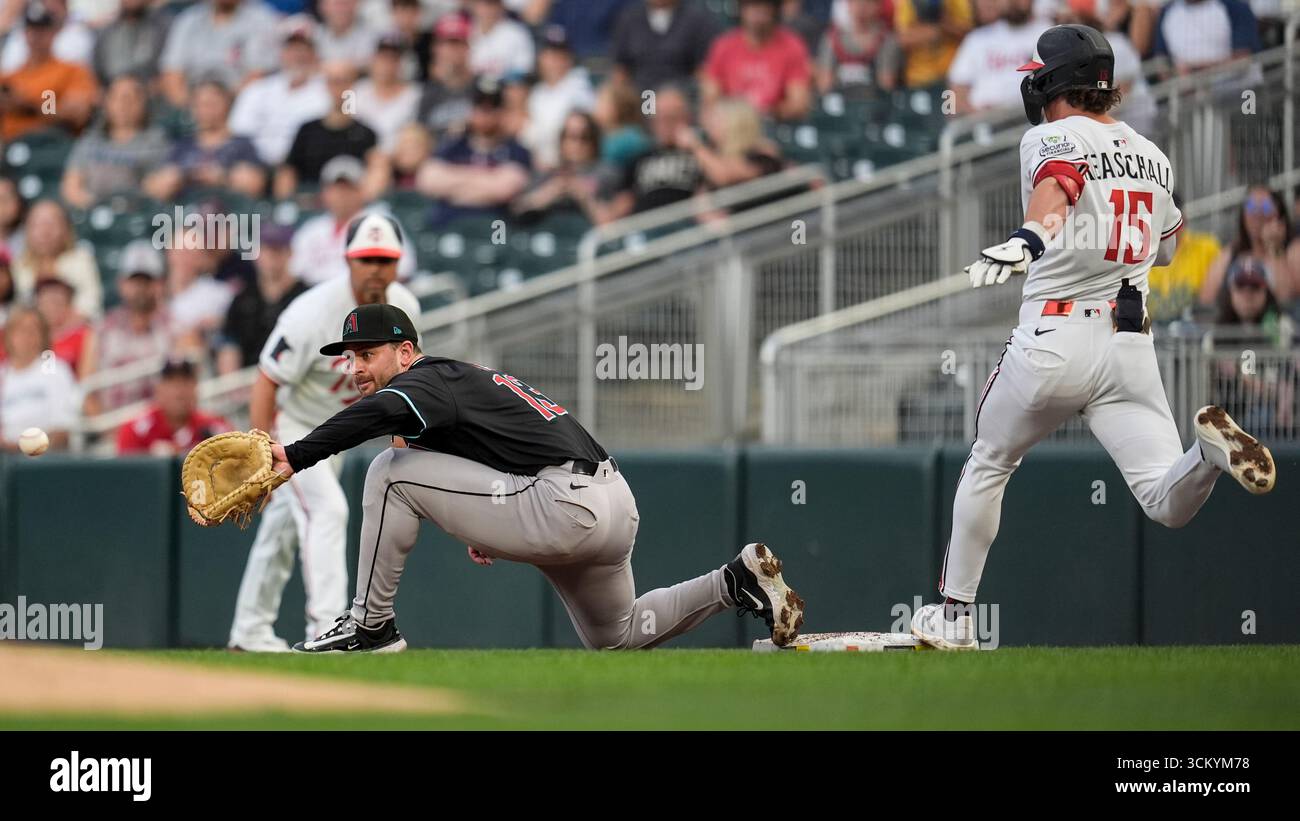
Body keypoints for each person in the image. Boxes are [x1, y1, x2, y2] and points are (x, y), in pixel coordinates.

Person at [912, 25, 1276, 650]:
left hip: (1054, 335)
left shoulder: (1048, 134)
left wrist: (1031, 237)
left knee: (990, 460)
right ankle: (1208, 455)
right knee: (1165, 498)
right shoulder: (1153, 154)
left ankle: (954, 618)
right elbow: (1170, 246)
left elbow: (1060, 184)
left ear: (1056, 83)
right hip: (1129, 346)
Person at [271, 301, 806, 653]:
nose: (356, 367)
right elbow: (488, 453)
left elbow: (378, 417)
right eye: (349, 358)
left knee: (388, 473)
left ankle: (370, 624)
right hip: (610, 502)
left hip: (562, 503)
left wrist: (295, 454)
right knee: (615, 637)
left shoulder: (430, 379)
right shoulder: (459, 386)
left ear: (406, 352)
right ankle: (733, 582)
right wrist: (487, 523)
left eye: (367, 354)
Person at [227, 213, 422, 653]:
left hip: (344, 429)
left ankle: (247, 631)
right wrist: (262, 451)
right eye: (365, 258)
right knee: (328, 512)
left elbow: (407, 380)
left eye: (385, 258)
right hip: (295, 428)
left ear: (397, 263)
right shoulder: (312, 311)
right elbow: (267, 378)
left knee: (283, 527)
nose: (375, 268)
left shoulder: (407, 305)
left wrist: (403, 448)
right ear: (347, 260)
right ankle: (329, 629)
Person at [417, 76, 532, 228]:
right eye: (479, 106)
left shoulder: (516, 150)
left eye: (492, 107)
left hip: (496, 226)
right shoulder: (454, 145)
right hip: (448, 221)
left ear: (503, 112)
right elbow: (427, 181)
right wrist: (485, 180)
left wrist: (453, 185)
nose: (484, 114)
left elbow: (504, 189)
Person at [290, 155, 417, 285]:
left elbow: (403, 269)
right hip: (319, 297)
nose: (341, 195)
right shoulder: (311, 230)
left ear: (361, 190)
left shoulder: (379, 222)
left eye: (348, 188)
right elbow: (295, 272)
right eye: (336, 188)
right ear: (324, 193)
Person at [81, 240, 172, 415]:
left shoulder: (178, 327)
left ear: (160, 284)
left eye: (147, 281)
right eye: (135, 281)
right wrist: (112, 434)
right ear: (122, 284)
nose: (141, 288)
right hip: (115, 431)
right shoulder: (101, 330)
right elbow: (86, 392)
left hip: (165, 428)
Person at [227, 14, 331, 169]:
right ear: (281, 53)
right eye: (291, 48)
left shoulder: (331, 90)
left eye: (304, 48)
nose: (298, 55)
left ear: (315, 53)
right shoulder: (257, 89)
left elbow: (342, 127)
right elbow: (239, 131)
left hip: (307, 165)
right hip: (257, 166)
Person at [144, 79, 267, 202]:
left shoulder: (242, 144)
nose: (206, 110)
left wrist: (223, 177)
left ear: (227, 104)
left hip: (229, 213)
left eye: (212, 103)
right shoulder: (182, 146)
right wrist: (182, 177)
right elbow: (154, 187)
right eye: (200, 104)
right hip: (186, 212)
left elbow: (254, 184)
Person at [60, 72, 169, 208]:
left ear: (143, 104)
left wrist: (126, 204)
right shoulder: (90, 140)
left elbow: (162, 184)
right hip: (91, 213)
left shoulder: (155, 140)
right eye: (116, 98)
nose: (123, 105)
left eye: (130, 99)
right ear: (107, 102)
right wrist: (98, 208)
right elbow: (71, 185)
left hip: (137, 214)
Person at [275, 60, 379, 200]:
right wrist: (288, 202)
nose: (338, 88)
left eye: (343, 81)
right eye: (332, 81)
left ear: (353, 85)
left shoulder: (366, 134)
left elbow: (375, 177)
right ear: (325, 85)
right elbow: (287, 172)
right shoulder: (307, 130)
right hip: (309, 205)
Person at [217, 223, 308, 374]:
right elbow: (229, 345)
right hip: (246, 382)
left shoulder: (305, 297)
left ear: (290, 253)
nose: (271, 256)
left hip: (291, 376)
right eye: (265, 249)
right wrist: (232, 383)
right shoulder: (243, 298)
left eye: (277, 250)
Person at [603, 85, 703, 222]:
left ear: (687, 118)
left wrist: (696, 147)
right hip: (645, 229)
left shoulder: (699, 152)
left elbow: (720, 177)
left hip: (685, 228)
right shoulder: (641, 157)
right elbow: (621, 203)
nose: (663, 125)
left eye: (670, 118)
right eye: (658, 119)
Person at [0, 0, 97, 140]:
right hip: (10, 146)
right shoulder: (9, 77)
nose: (36, 37)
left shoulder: (71, 71)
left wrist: (30, 106)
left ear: (54, 32)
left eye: (42, 30)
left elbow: (77, 114)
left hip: (50, 145)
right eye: (31, 29)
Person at [701, 0, 813, 122]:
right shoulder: (724, 46)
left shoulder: (792, 46)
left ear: (775, 9)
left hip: (774, 124)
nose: (758, 11)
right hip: (732, 126)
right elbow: (710, 100)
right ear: (741, 8)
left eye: (765, 5)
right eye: (752, 4)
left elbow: (798, 103)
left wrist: (770, 112)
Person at [158, 0, 280, 108]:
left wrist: (219, 106)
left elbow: (258, 76)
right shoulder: (189, 19)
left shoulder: (260, 17)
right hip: (193, 103)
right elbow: (172, 73)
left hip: (238, 105)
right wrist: (193, 107)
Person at [1199, 186, 1297, 307]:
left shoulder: (1293, 250)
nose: (1258, 213)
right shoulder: (1229, 255)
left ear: (1279, 215)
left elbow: (1287, 299)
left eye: (1266, 207)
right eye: (1251, 207)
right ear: (1243, 215)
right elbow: (1206, 300)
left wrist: (1275, 249)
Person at [947, 0, 1048, 114]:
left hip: (1034, 118)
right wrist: (974, 114)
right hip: (986, 124)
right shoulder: (977, 39)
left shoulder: (1050, 33)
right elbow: (956, 91)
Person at [0, 306, 79, 452]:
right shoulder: (3, 373)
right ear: (9, 336)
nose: (26, 336)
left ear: (43, 336)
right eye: (20, 330)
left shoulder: (54, 369)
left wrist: (24, 448)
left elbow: (62, 429)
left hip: (43, 456)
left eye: (33, 330)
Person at [116, 359, 233, 455]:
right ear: (159, 389)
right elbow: (128, 476)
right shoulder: (136, 429)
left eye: (186, 382)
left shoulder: (215, 427)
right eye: (172, 383)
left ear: (195, 388)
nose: (180, 391)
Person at [520, 26, 595, 172]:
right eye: (550, 54)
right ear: (541, 58)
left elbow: (571, 136)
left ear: (569, 58)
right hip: (539, 166)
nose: (554, 61)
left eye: (560, 55)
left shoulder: (579, 87)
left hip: (569, 169)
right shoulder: (537, 92)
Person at [10, 199, 101, 318]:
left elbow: (90, 308)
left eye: (52, 223)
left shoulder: (81, 260)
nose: (45, 232)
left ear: (66, 229)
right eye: (37, 224)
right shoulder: (17, 267)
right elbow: (13, 312)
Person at [512, 111, 606, 224]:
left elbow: (612, 225)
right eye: (571, 136)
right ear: (562, 140)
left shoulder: (606, 174)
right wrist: (549, 192)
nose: (577, 143)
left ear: (594, 141)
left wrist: (584, 196)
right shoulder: (548, 173)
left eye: (584, 137)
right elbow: (516, 210)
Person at [611, 0, 722, 92]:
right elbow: (621, 70)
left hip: (682, 99)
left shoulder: (698, 20)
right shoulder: (629, 19)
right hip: (641, 98)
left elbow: (703, 73)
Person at [816, 0, 902, 95]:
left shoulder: (887, 40)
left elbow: (886, 86)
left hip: (874, 104)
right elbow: (824, 86)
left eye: (867, 2)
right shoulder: (832, 38)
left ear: (878, 6)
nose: (861, 7)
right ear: (848, 5)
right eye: (856, 2)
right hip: (840, 103)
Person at [353, 33, 421, 152]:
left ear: (401, 63)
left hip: (397, 157)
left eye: (393, 58)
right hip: (359, 154)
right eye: (383, 57)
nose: (387, 64)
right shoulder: (353, 91)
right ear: (373, 59)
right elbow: (343, 126)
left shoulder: (415, 94)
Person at [1151, 0, 1260, 74]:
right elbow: (1162, 61)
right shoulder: (1167, 12)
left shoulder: (1234, 6)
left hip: (1239, 95)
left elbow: (1242, 59)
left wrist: (1195, 70)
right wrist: (1177, 75)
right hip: (1191, 99)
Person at [416, 12, 476, 142]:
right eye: (444, 44)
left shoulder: (482, 87)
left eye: (455, 43)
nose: (449, 50)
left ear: (467, 47)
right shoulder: (429, 92)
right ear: (436, 49)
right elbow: (420, 133)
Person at [893, 0, 974, 89]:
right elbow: (902, 39)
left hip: (951, 76)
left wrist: (945, 25)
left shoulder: (956, 2)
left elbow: (971, 36)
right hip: (919, 78)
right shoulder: (908, 3)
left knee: (950, 101)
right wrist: (933, 30)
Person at [91, 0, 168, 84]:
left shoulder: (162, 28)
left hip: (149, 92)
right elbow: (97, 74)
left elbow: (169, 73)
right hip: (113, 91)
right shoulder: (106, 33)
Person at [32, 276, 91, 378]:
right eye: (46, 302)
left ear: (69, 305)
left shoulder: (83, 335)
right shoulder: (30, 337)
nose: (51, 308)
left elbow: (86, 378)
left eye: (57, 302)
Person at [468, 0, 535, 79]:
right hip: (473, 88)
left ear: (501, 7)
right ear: (474, 7)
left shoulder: (516, 33)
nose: (486, 10)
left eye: (491, 5)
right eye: (482, 5)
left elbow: (524, 70)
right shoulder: (465, 30)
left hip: (505, 87)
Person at [316, 0, 380, 69]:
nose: (341, 10)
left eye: (345, 3)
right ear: (323, 6)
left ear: (356, 4)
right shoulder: (313, 35)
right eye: (336, 4)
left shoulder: (373, 36)